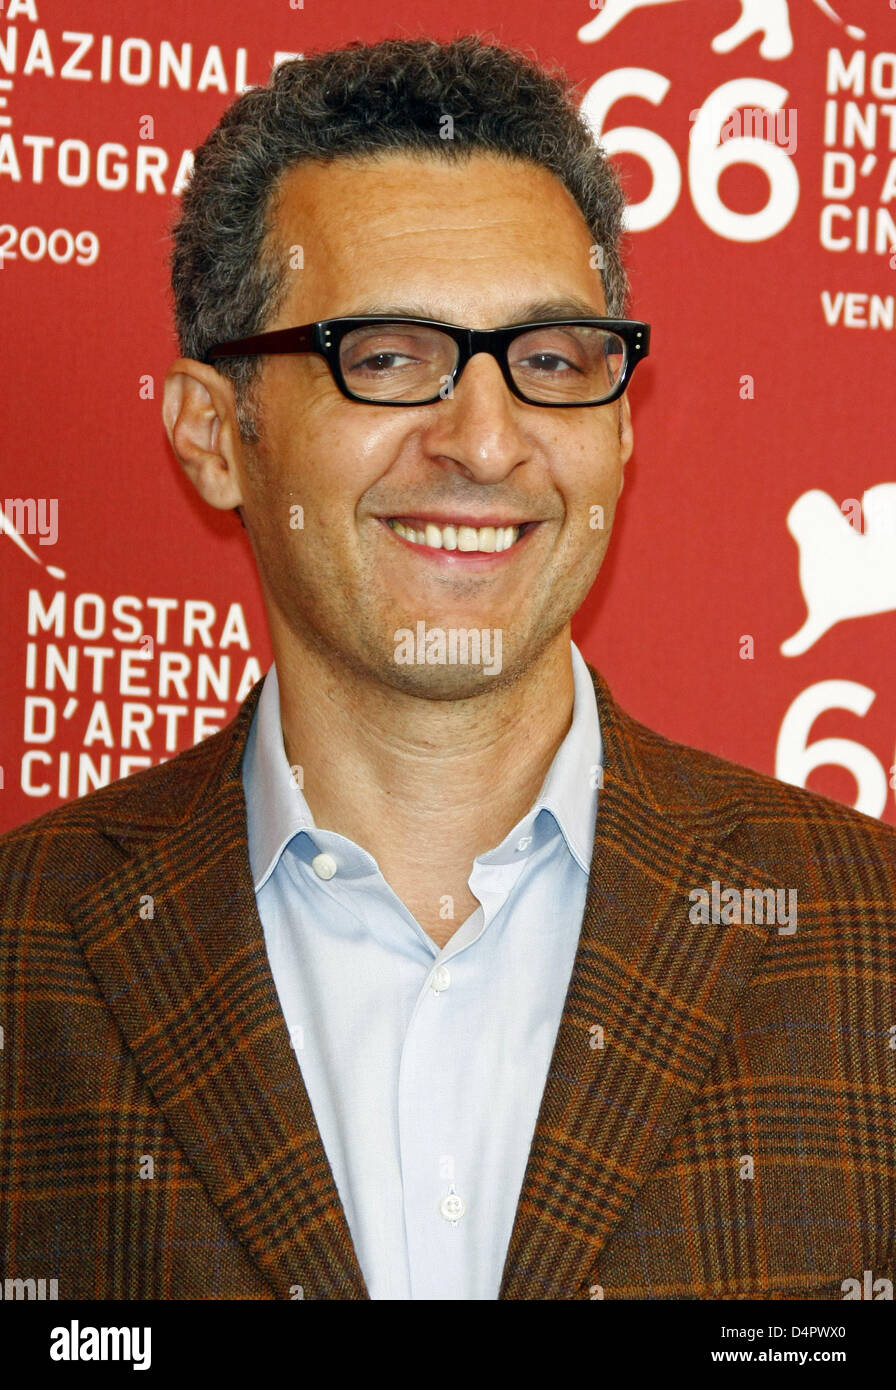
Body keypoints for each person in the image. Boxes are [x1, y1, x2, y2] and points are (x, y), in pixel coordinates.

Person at [1, 35, 894, 1303]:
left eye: (549, 360)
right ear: (214, 434)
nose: (483, 441)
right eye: (386, 355)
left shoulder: (868, 939)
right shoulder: (23, 956)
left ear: (621, 424)